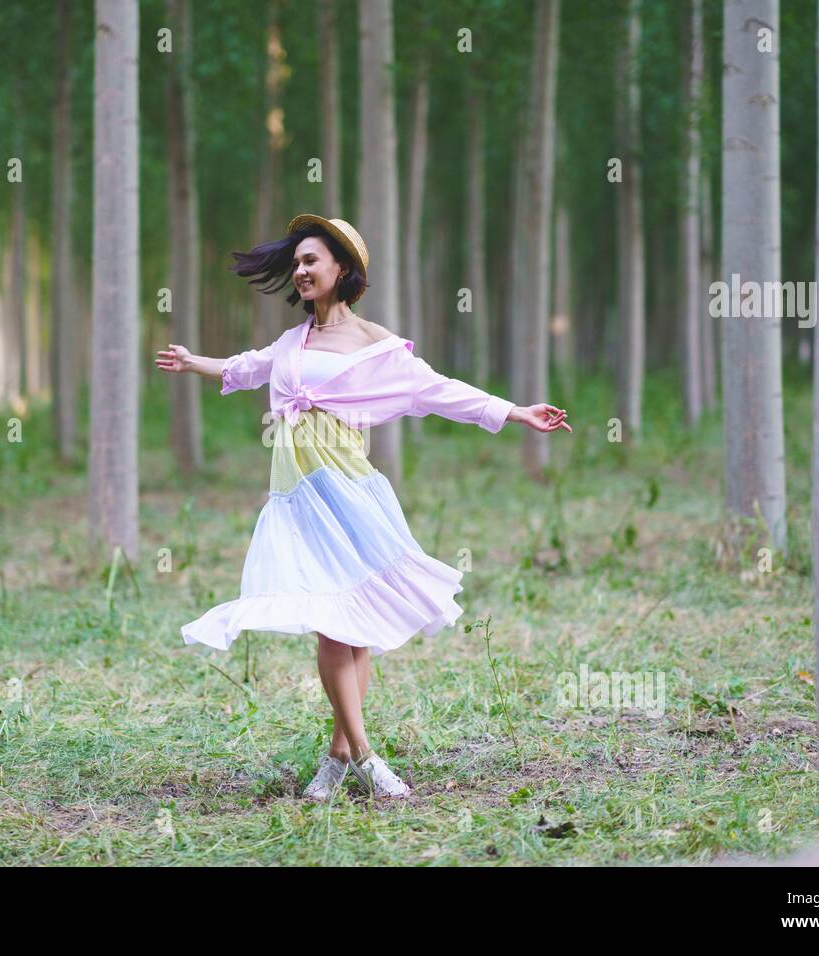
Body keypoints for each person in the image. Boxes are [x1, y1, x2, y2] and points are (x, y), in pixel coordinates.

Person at [155, 214, 571, 801]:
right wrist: (195, 361)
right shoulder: (292, 342)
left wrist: (515, 411)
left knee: (350, 630)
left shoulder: (375, 345)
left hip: (348, 491)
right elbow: (247, 367)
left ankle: (351, 757)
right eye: (296, 263)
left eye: (311, 262)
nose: (300, 271)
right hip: (298, 499)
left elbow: (440, 390)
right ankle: (352, 756)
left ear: (341, 269)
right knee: (335, 627)